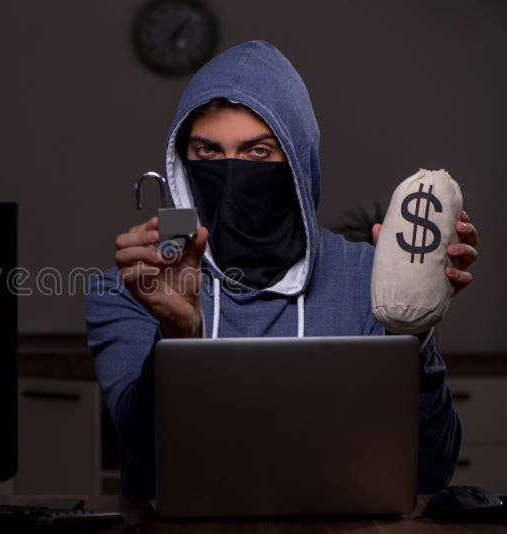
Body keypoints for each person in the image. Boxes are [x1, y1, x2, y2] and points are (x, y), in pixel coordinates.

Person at [85, 40, 478, 498]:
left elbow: (430, 472)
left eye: (257, 153)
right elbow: (144, 462)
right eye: (209, 153)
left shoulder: (370, 280)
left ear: (298, 163)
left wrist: (414, 327)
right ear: (181, 165)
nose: (231, 175)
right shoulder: (131, 290)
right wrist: (176, 336)